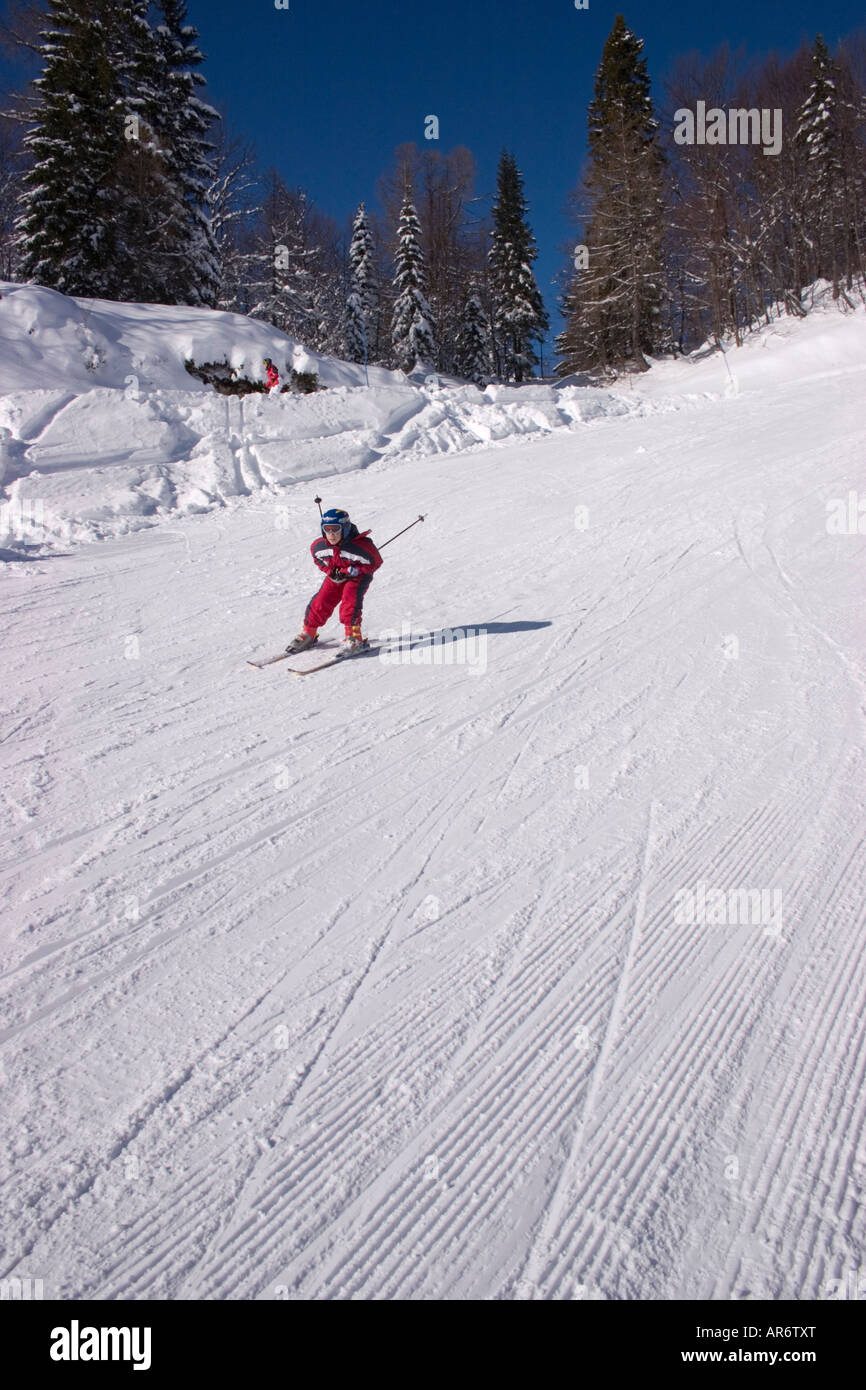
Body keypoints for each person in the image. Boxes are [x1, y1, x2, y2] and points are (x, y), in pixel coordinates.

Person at [285, 508, 383, 655]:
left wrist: (356, 571)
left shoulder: (361, 547)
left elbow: (375, 562)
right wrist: (330, 571)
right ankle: (308, 633)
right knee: (321, 600)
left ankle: (354, 637)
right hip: (335, 576)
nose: (331, 534)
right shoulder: (319, 546)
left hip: (357, 577)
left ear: (345, 528)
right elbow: (319, 560)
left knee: (350, 601)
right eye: (327, 529)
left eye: (335, 529)